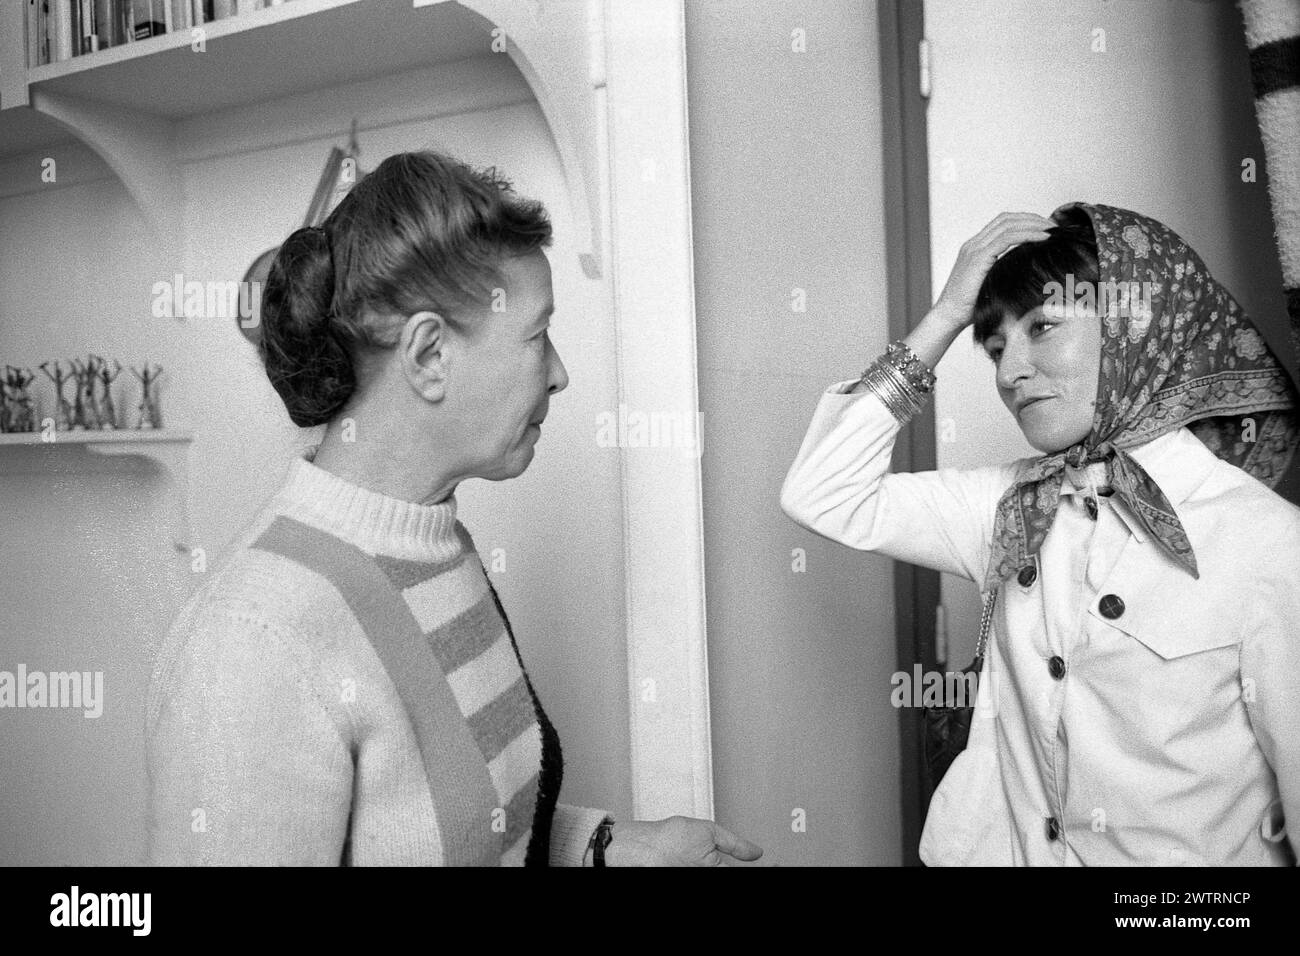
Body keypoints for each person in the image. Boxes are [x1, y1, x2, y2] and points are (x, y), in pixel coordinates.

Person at [146, 150, 763, 867]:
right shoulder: (256, 644)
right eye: (537, 335)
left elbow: (460, 830)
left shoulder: (435, 547)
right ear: (430, 354)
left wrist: (615, 846)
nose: (560, 373)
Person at [781, 203, 1300, 865]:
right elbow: (822, 494)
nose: (1008, 372)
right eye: (997, 348)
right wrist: (944, 316)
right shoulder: (1008, 504)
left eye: (1044, 327)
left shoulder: (1267, 543)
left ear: (1136, 326)